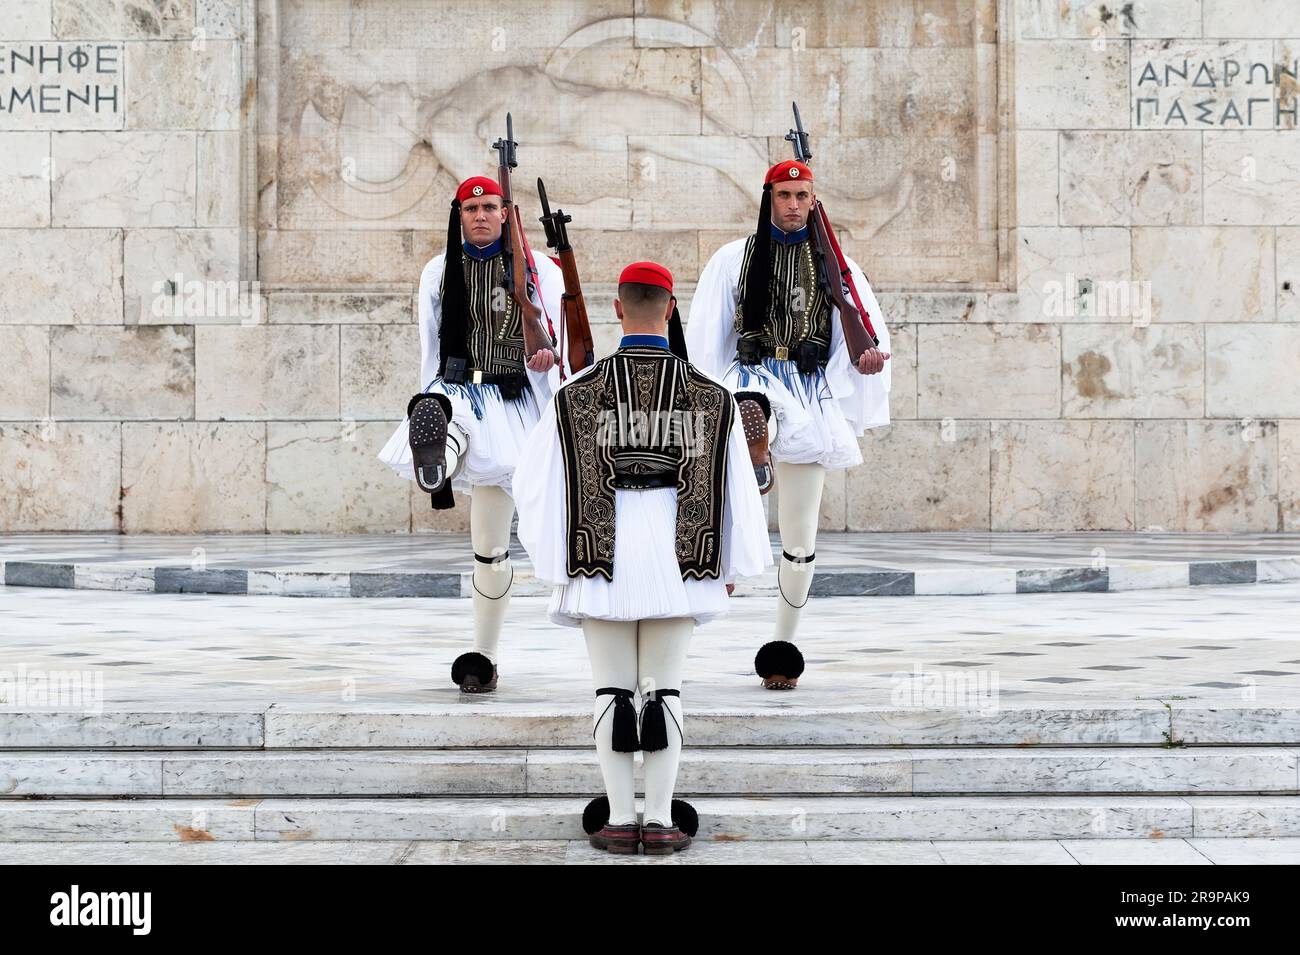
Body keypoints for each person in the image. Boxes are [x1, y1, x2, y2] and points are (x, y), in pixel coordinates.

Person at [513, 262, 772, 854]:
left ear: (617, 309)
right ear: (672, 308)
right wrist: (731, 564)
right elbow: (738, 487)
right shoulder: (715, 397)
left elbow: (535, 485)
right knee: (665, 691)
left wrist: (559, 563)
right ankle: (658, 821)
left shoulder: (574, 396)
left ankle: (616, 819)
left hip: (598, 553)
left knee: (611, 692)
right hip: (684, 556)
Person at [686, 160, 891, 690]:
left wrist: (869, 360)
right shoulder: (735, 258)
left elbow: (863, 330)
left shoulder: (835, 263)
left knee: (800, 538)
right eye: (785, 195)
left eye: (803, 195)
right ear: (768, 197)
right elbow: (708, 336)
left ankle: (783, 646)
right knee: (753, 410)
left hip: (809, 388)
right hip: (751, 378)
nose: (794, 204)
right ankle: (757, 448)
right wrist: (699, 401)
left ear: (813, 199)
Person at [378, 175, 566, 693]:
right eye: (470, 209)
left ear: (505, 214)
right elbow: (430, 346)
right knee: (445, 413)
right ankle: (437, 443)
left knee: (490, 546)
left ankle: (485, 653)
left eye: (489, 207)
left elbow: (559, 341)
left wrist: (547, 364)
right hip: (458, 389)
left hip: (516, 400)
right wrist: (428, 394)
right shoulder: (439, 271)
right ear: (458, 215)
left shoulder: (540, 270)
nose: (480, 216)